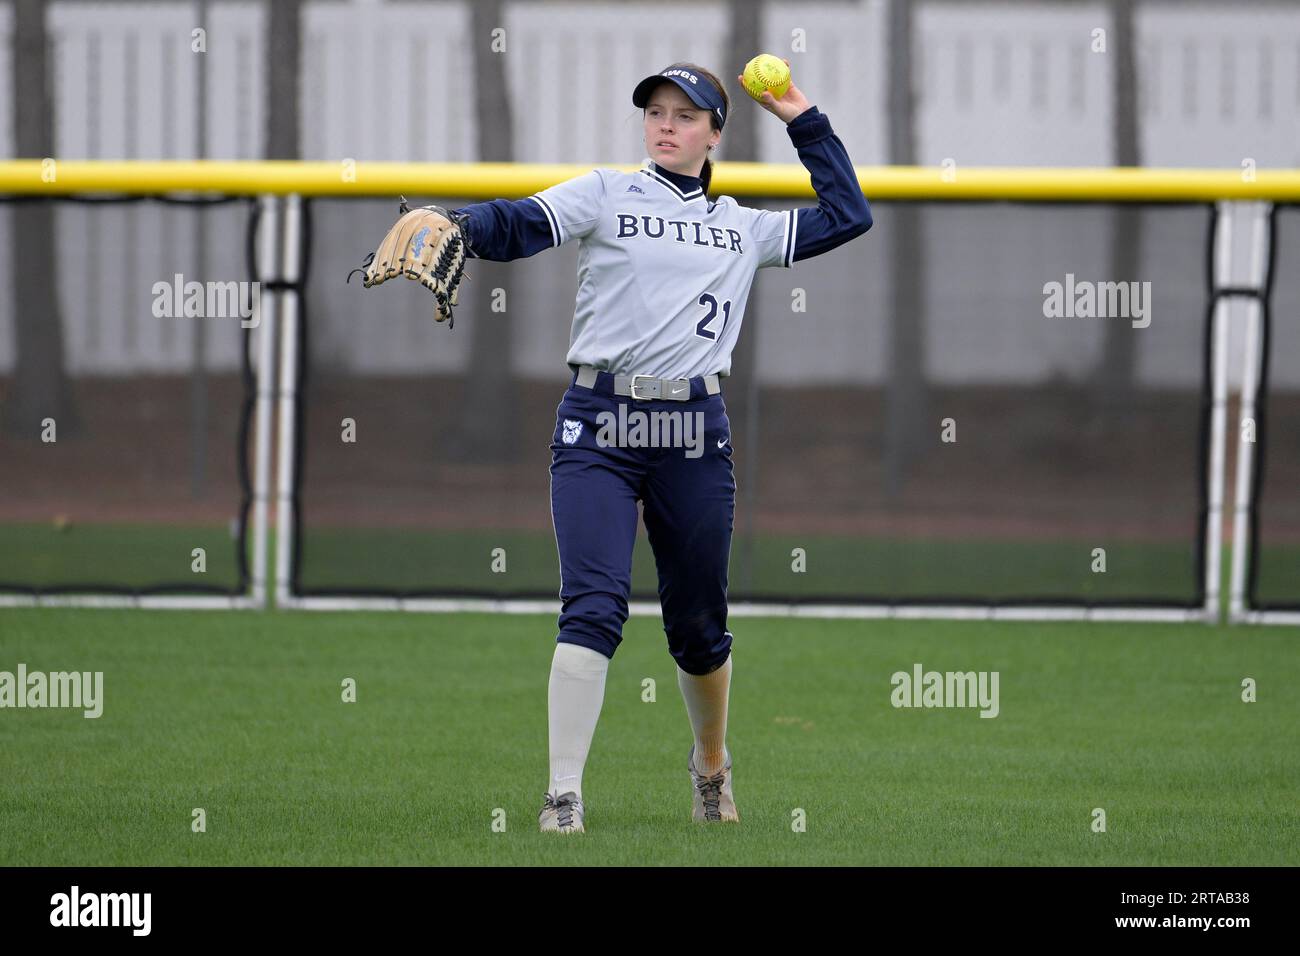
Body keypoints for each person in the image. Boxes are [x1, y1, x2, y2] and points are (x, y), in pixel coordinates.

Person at [446, 61, 872, 833]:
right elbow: (518, 224)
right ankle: (563, 794)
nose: (666, 124)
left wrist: (801, 116)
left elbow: (848, 214)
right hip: (599, 424)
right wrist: (458, 227)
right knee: (594, 606)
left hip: (692, 433)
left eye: (685, 114)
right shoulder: (606, 192)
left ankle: (711, 764)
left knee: (700, 625)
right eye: (656, 112)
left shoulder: (743, 225)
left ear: (715, 132)